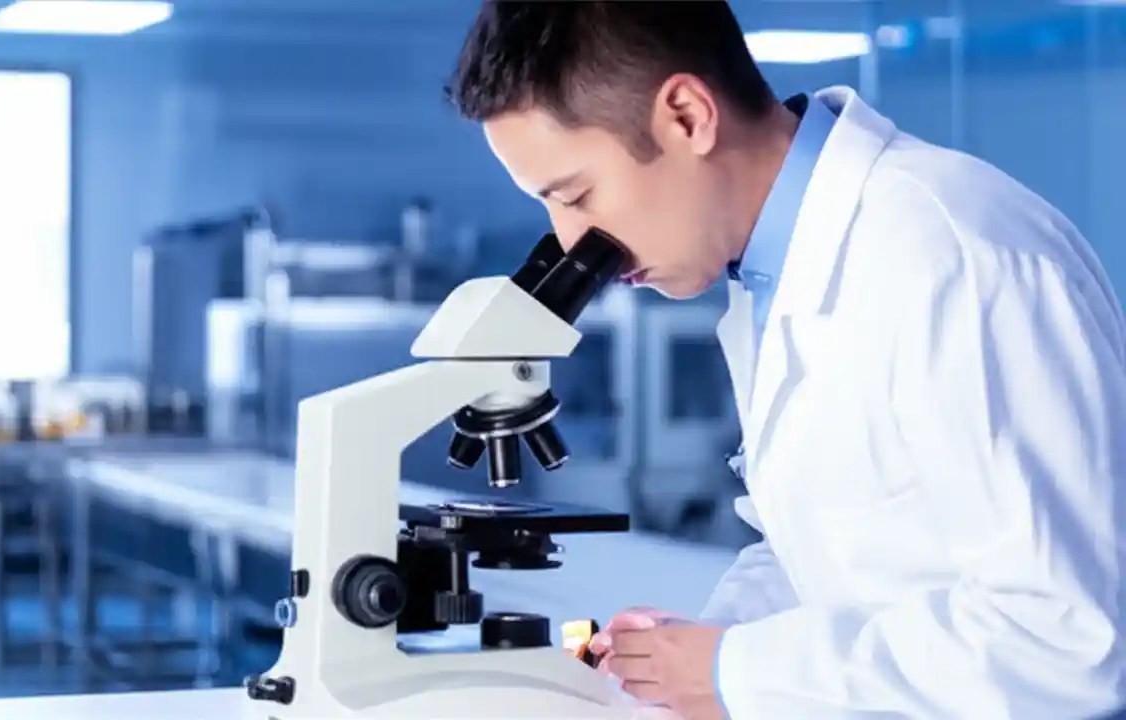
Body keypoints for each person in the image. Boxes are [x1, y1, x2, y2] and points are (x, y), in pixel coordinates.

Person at [445, 2, 1126, 719]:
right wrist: (699, 652)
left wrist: (736, 669)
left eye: (577, 195)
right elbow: (826, 552)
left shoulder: (953, 254)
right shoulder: (772, 273)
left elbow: (1070, 640)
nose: (571, 241)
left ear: (686, 116)